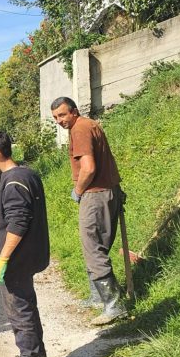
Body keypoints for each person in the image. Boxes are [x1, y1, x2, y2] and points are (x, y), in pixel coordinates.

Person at [0, 131, 50, 357]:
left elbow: (18, 223)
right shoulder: (26, 174)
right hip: (27, 259)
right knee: (28, 307)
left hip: (16, 262)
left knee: (19, 312)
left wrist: (3, 258)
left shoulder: (13, 183)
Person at [51, 96, 127, 326]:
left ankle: (114, 305)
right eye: (55, 117)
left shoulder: (80, 130)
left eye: (62, 115)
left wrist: (78, 190)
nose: (59, 121)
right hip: (108, 191)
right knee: (97, 245)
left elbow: (89, 167)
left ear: (73, 112)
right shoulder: (91, 124)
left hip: (94, 194)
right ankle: (97, 297)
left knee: (93, 247)